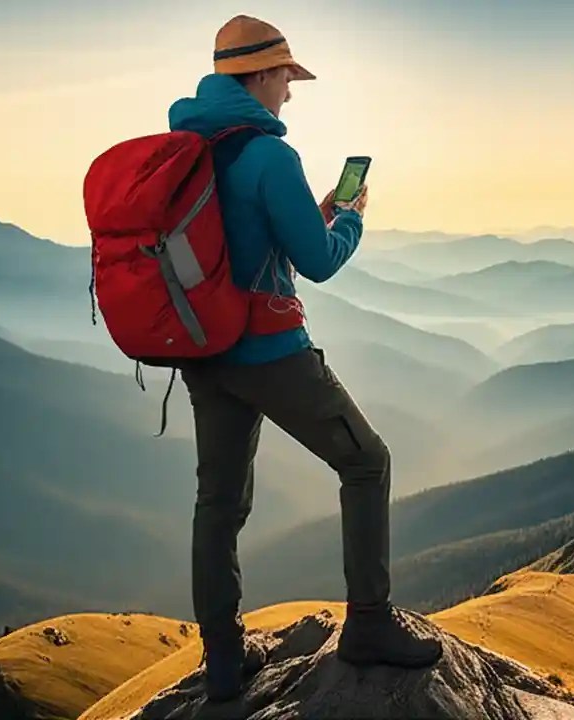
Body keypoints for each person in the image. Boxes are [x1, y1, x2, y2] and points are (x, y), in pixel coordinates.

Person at [166, 14, 442, 702]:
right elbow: (316, 262)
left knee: (218, 501)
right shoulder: (268, 156)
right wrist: (348, 218)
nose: (290, 92)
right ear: (260, 73)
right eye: (287, 77)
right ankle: (370, 623)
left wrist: (309, 213)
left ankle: (225, 660)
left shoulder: (187, 147)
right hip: (270, 352)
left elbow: (245, 241)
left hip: (203, 353)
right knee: (366, 460)